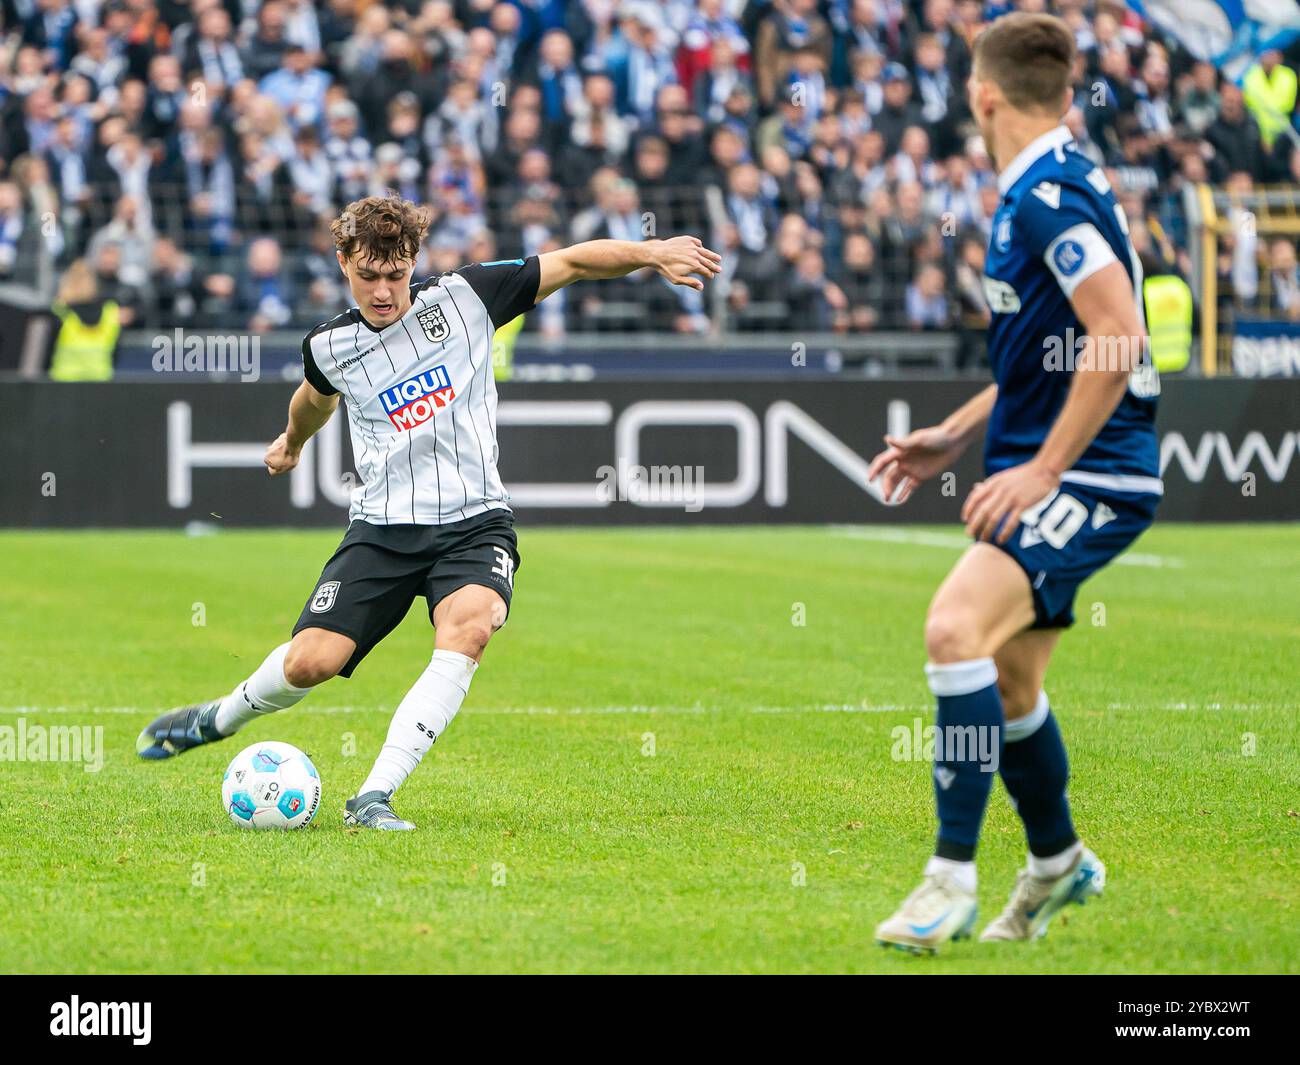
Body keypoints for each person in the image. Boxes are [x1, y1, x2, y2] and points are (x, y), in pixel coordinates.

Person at [136, 194, 722, 830]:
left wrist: (651, 252)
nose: (384, 292)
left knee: (472, 625)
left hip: (475, 523)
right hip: (382, 530)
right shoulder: (330, 345)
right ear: (342, 263)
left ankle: (372, 797)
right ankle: (219, 717)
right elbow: (314, 398)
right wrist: (293, 442)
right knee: (312, 662)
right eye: (368, 277)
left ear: (414, 260)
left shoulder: (469, 297)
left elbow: (575, 263)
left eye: (396, 275)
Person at [867, 12, 1161, 952]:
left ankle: (948, 877)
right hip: (1079, 461)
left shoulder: (1045, 196)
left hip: (1098, 472)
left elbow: (1118, 336)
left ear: (981, 95)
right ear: (1067, 95)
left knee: (952, 628)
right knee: (1009, 676)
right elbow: (1052, 351)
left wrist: (1042, 467)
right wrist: (955, 434)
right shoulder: (1057, 181)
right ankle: (1058, 861)